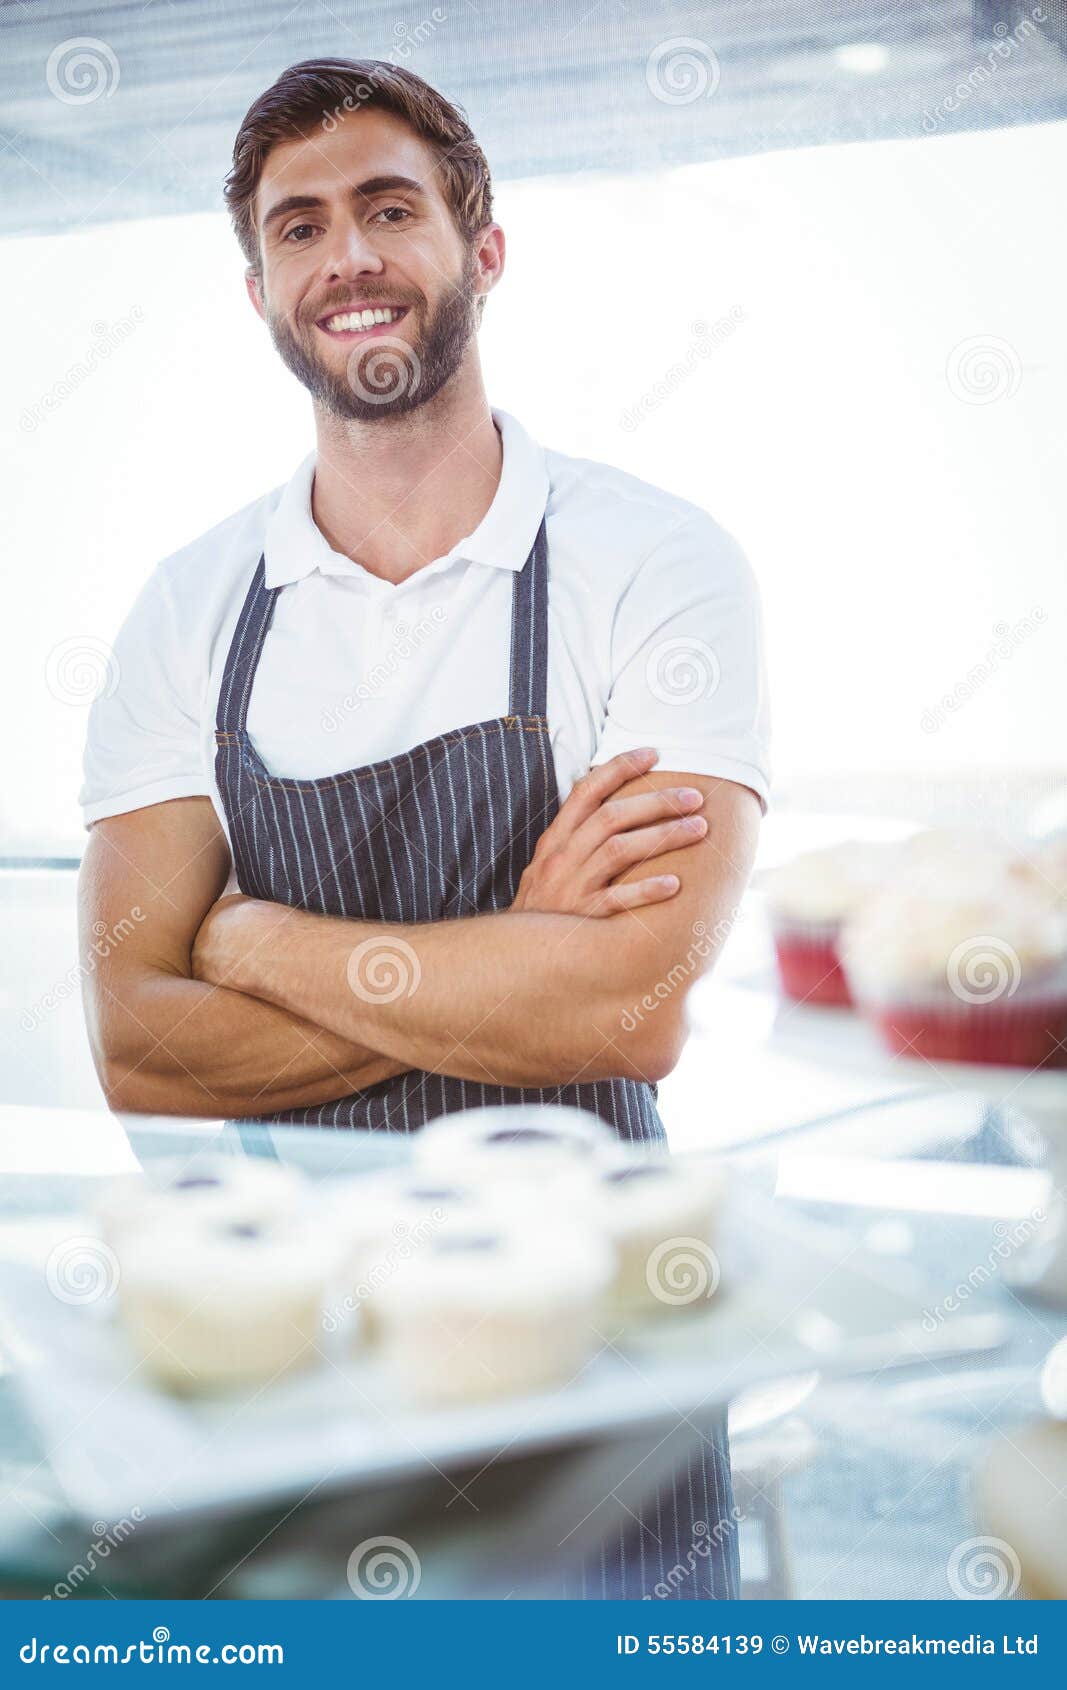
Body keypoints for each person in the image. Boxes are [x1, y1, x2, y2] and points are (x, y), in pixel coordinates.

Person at [78, 58, 770, 1599]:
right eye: (301, 227)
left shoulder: (650, 561)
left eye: (392, 210)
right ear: (259, 285)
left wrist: (249, 940)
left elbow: (632, 1005)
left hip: (595, 1365)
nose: (351, 260)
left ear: (484, 249)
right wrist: (511, 961)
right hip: (297, 1354)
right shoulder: (189, 613)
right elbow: (140, 1048)